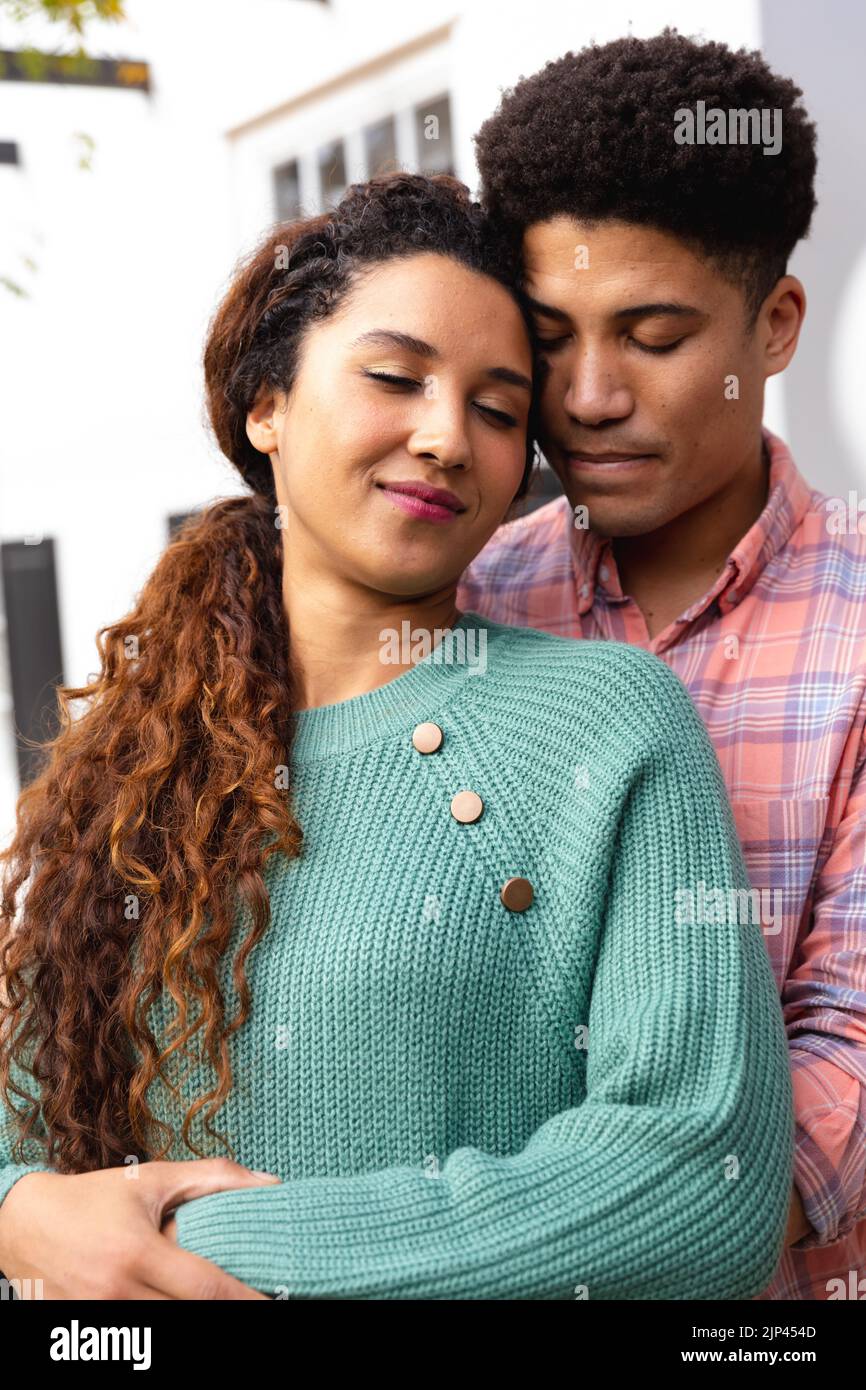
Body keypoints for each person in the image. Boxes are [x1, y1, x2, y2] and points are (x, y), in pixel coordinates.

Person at [0, 171, 792, 1300]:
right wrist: (24, 1215)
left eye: (498, 410)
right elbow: (21, 1135)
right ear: (266, 405)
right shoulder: (134, 759)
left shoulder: (605, 724)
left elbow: (697, 1184)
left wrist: (180, 1253)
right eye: (394, 377)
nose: (445, 437)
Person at [459, 29, 866, 1301]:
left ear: (775, 325)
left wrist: (542, 1247)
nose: (586, 396)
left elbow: (849, 1063)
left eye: (650, 334)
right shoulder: (463, 598)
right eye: (550, 339)